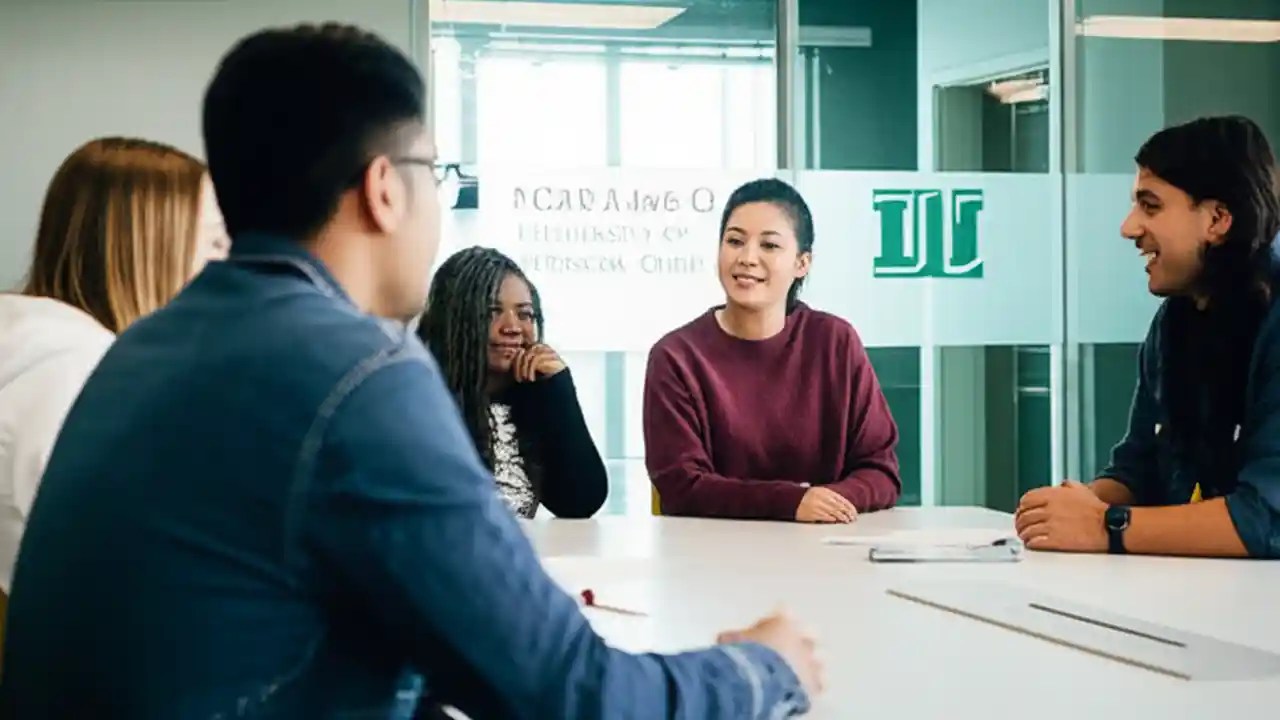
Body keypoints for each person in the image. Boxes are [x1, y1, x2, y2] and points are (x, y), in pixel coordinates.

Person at [0, 24, 821, 719]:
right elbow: (569, 692)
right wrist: (765, 670)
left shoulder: (145, 347)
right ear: (384, 189)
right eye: (440, 175)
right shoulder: (358, 373)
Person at [1015, 115, 1280, 559]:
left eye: (1150, 206)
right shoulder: (1178, 317)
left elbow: (1268, 519)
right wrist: (1067, 508)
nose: (1129, 227)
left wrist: (1105, 525)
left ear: (1217, 219)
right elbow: (1139, 469)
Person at [0, 136, 227, 595]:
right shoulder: (80, 380)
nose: (234, 263)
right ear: (146, 247)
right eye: (215, 241)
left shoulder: (39, 353)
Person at [643, 178, 901, 523]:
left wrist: (827, 504)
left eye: (769, 246)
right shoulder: (676, 357)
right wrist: (792, 502)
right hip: (712, 558)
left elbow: (880, 470)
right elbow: (681, 486)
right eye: (734, 241)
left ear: (802, 263)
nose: (747, 258)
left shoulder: (836, 342)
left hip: (826, 551)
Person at [417, 246, 608, 519]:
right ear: (452, 318)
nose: (512, 327)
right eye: (492, 311)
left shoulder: (531, 397)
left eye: (525, 314)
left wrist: (558, 388)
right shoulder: (418, 398)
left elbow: (579, 502)